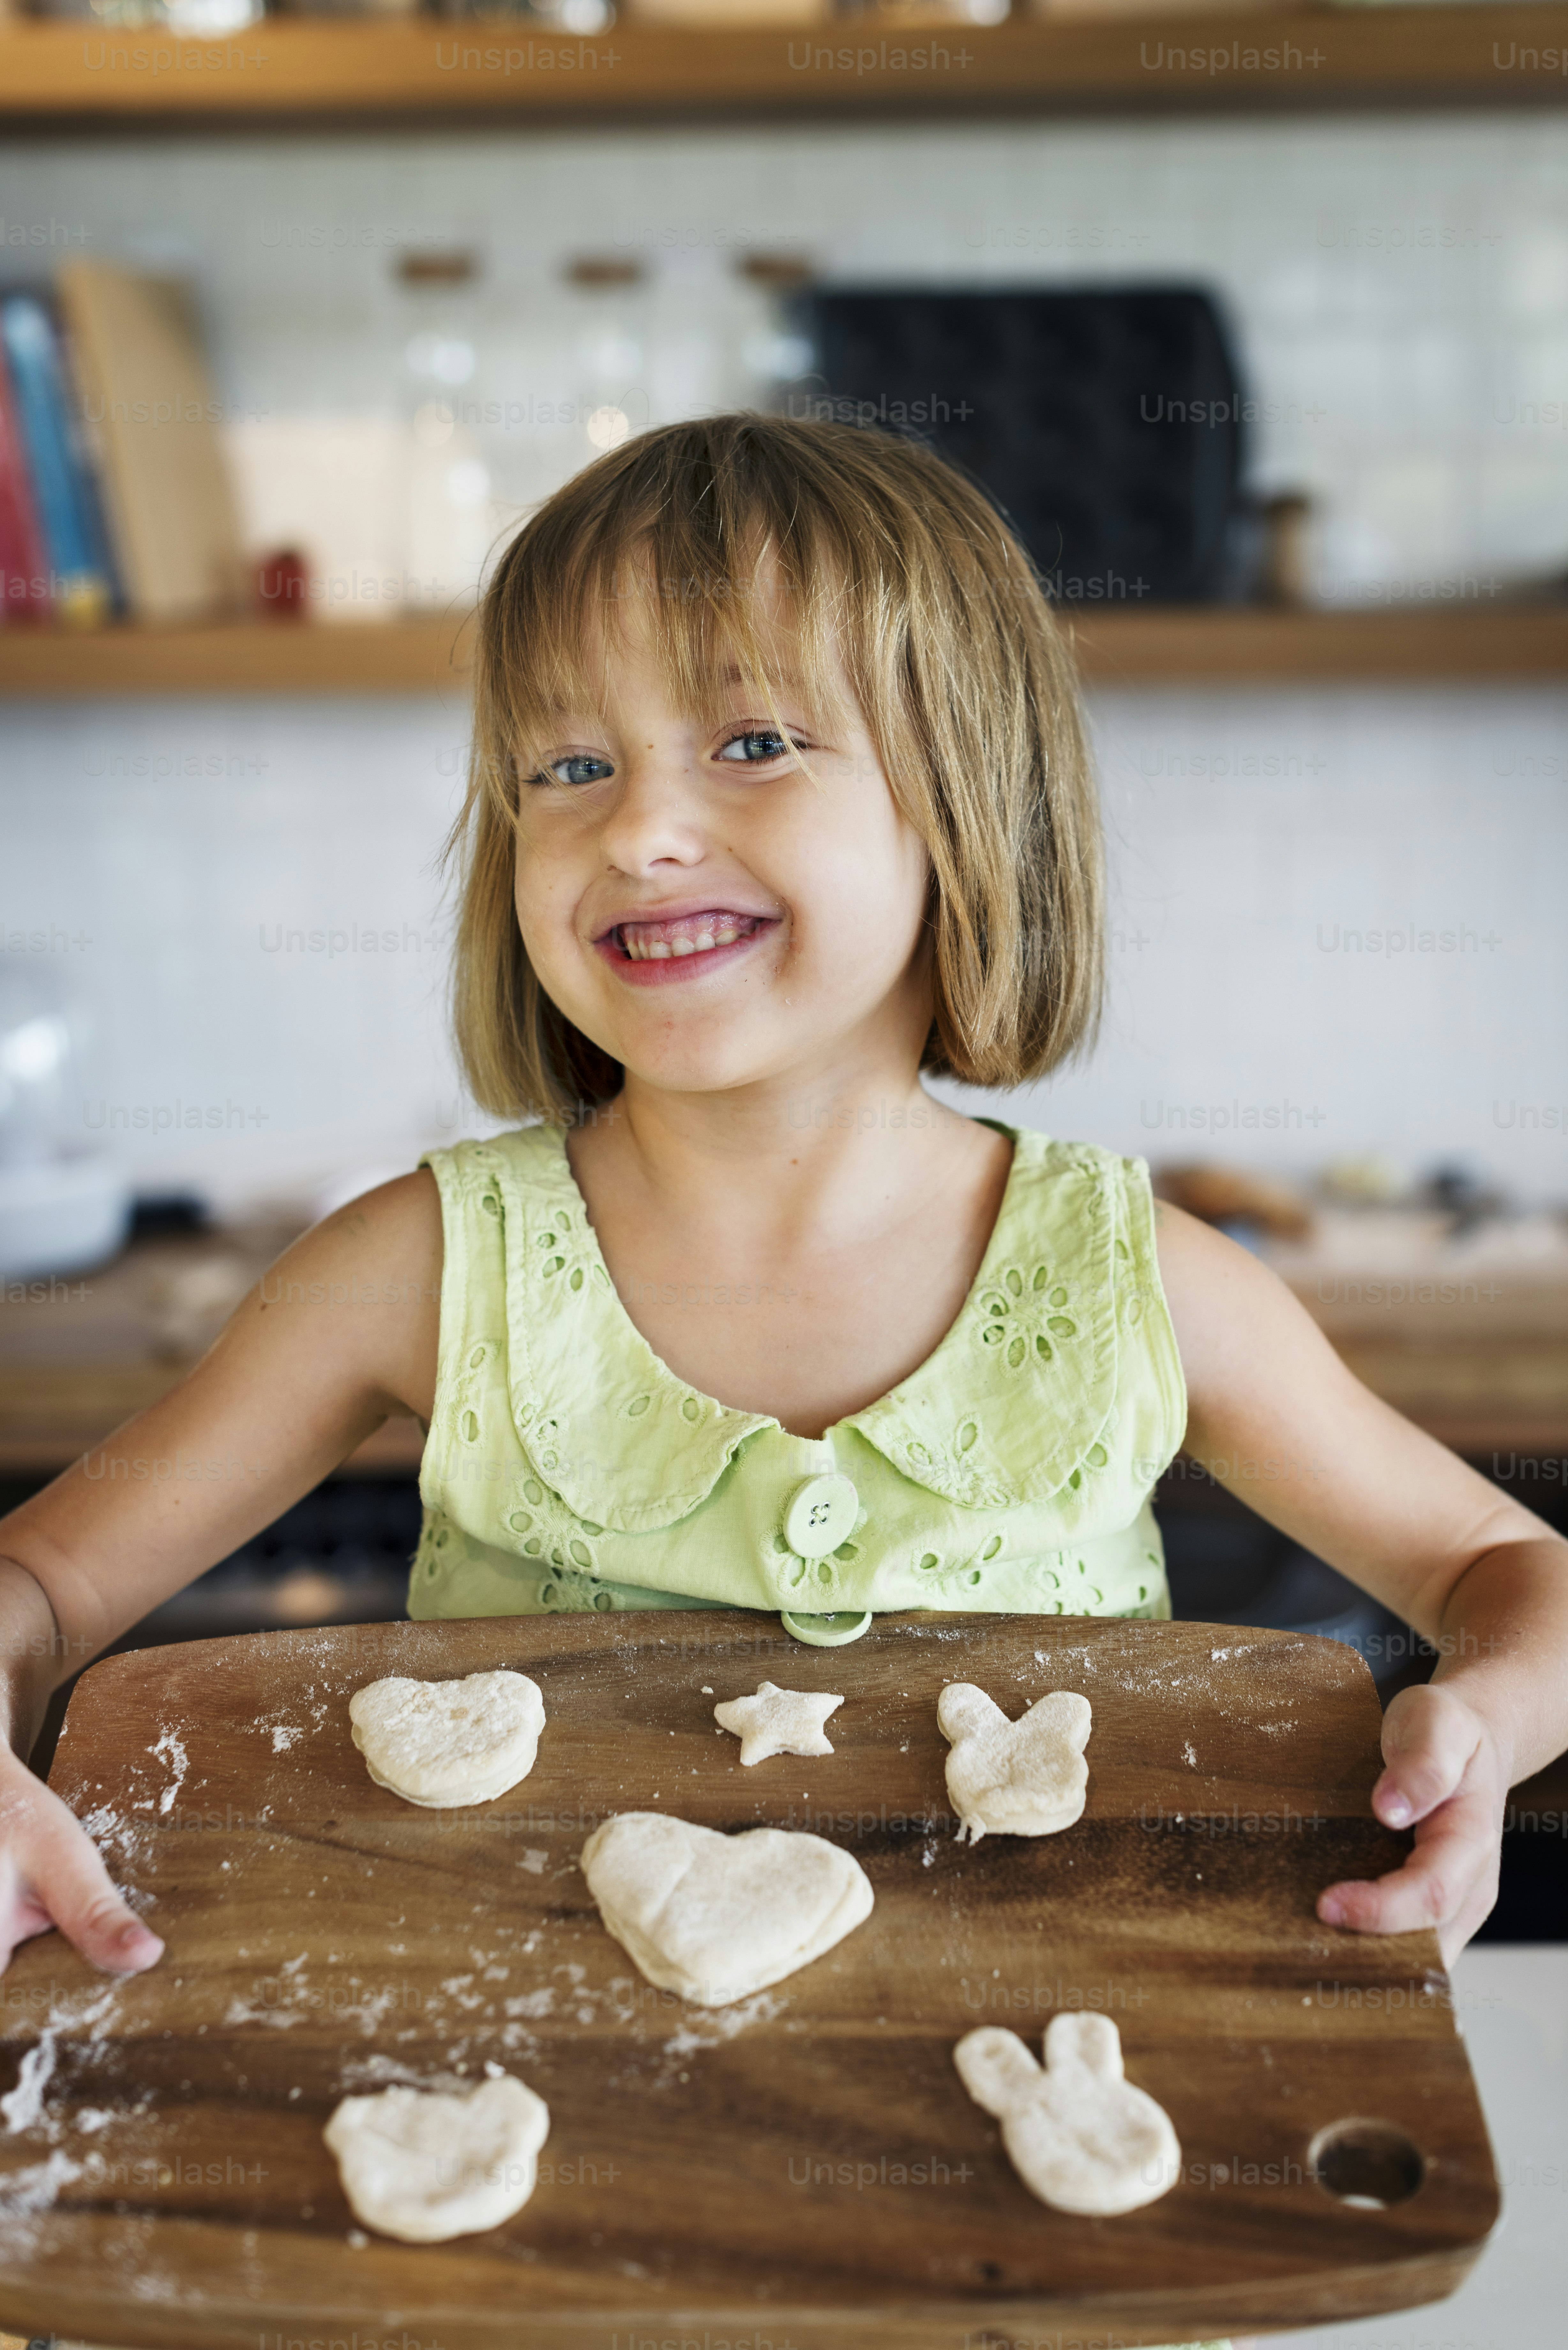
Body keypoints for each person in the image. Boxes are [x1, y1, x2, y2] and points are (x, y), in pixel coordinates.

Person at [2, 414, 1564, 2012]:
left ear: (963, 801)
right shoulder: (414, 1269)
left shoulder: (1138, 1284)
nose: (637, 831)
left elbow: (1512, 1568)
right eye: (570, 767)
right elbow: (41, 1589)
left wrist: (1489, 1724)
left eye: (752, 742)